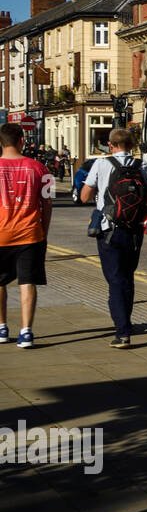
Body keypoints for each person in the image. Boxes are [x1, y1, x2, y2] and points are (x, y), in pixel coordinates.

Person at [80, 127, 147, 348]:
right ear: (132, 146)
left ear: (111, 145)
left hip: (109, 230)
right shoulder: (141, 165)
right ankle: (127, 322)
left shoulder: (102, 163)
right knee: (127, 277)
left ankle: (122, 332)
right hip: (133, 230)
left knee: (115, 280)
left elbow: (85, 196)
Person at [0, 123, 53, 349]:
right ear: (22, 140)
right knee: (27, 281)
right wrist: (44, 231)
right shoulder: (39, 168)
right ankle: (26, 332)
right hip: (30, 234)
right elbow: (47, 203)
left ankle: (1, 328)